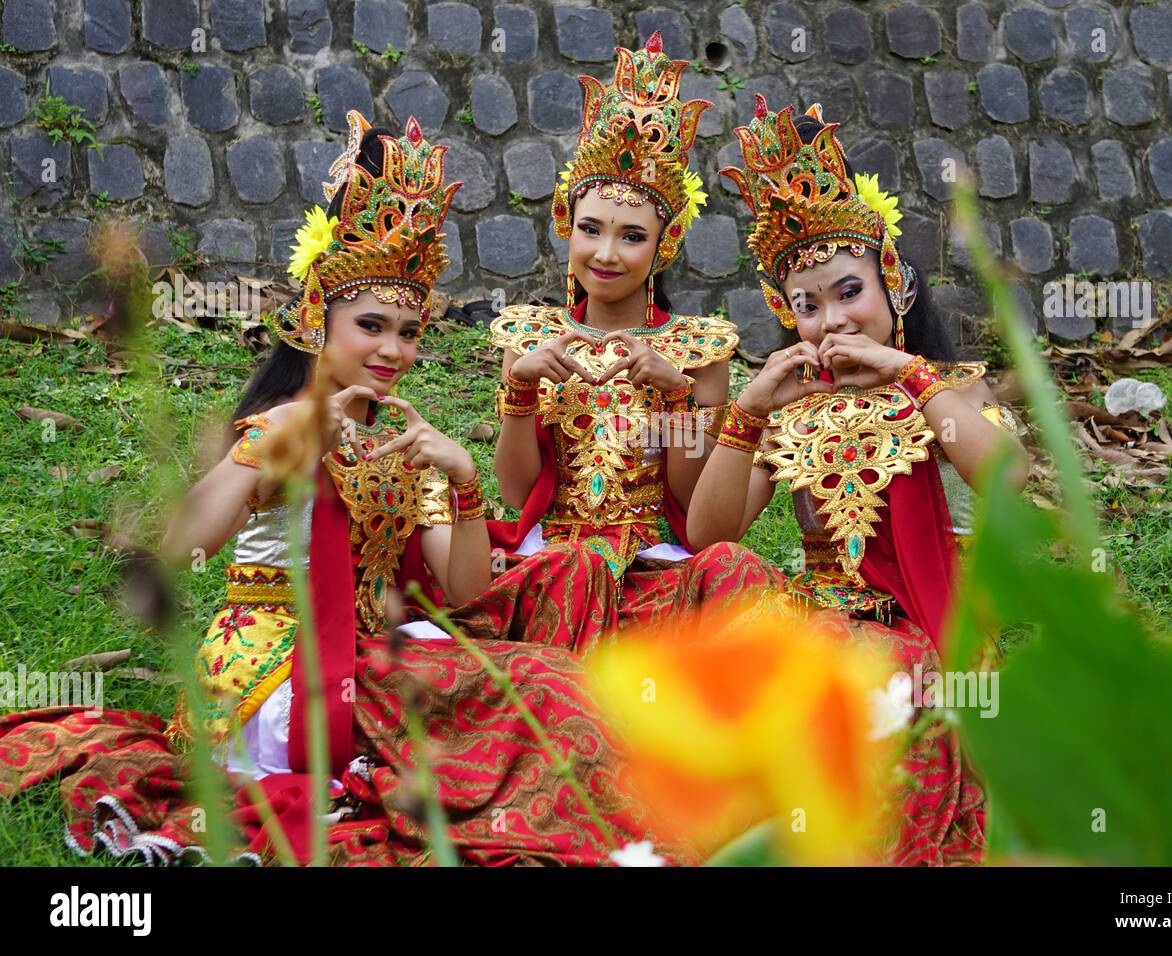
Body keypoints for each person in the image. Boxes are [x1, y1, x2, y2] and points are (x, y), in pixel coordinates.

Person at [0, 113, 686, 866]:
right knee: (534, 691)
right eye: (371, 326)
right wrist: (266, 453)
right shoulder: (279, 425)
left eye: (409, 330)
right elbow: (180, 547)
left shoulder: (399, 435)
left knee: (544, 677)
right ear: (316, 322)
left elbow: (460, 595)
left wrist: (459, 483)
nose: (394, 349)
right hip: (285, 673)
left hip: (375, 654)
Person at [688, 98, 1030, 865]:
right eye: (805, 305)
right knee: (730, 597)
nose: (830, 320)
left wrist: (908, 376)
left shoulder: (953, 390)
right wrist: (746, 412)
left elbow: (1006, 479)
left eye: (850, 291)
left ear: (896, 286)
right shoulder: (793, 409)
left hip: (930, 630)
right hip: (823, 615)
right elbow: (709, 539)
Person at [487, 33, 784, 631]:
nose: (606, 253)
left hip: (656, 562)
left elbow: (694, 504)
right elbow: (519, 495)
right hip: (556, 560)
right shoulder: (530, 339)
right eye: (591, 229)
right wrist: (520, 394)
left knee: (735, 580)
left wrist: (678, 399)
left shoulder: (699, 350)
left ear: (664, 243)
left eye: (631, 236)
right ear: (566, 227)